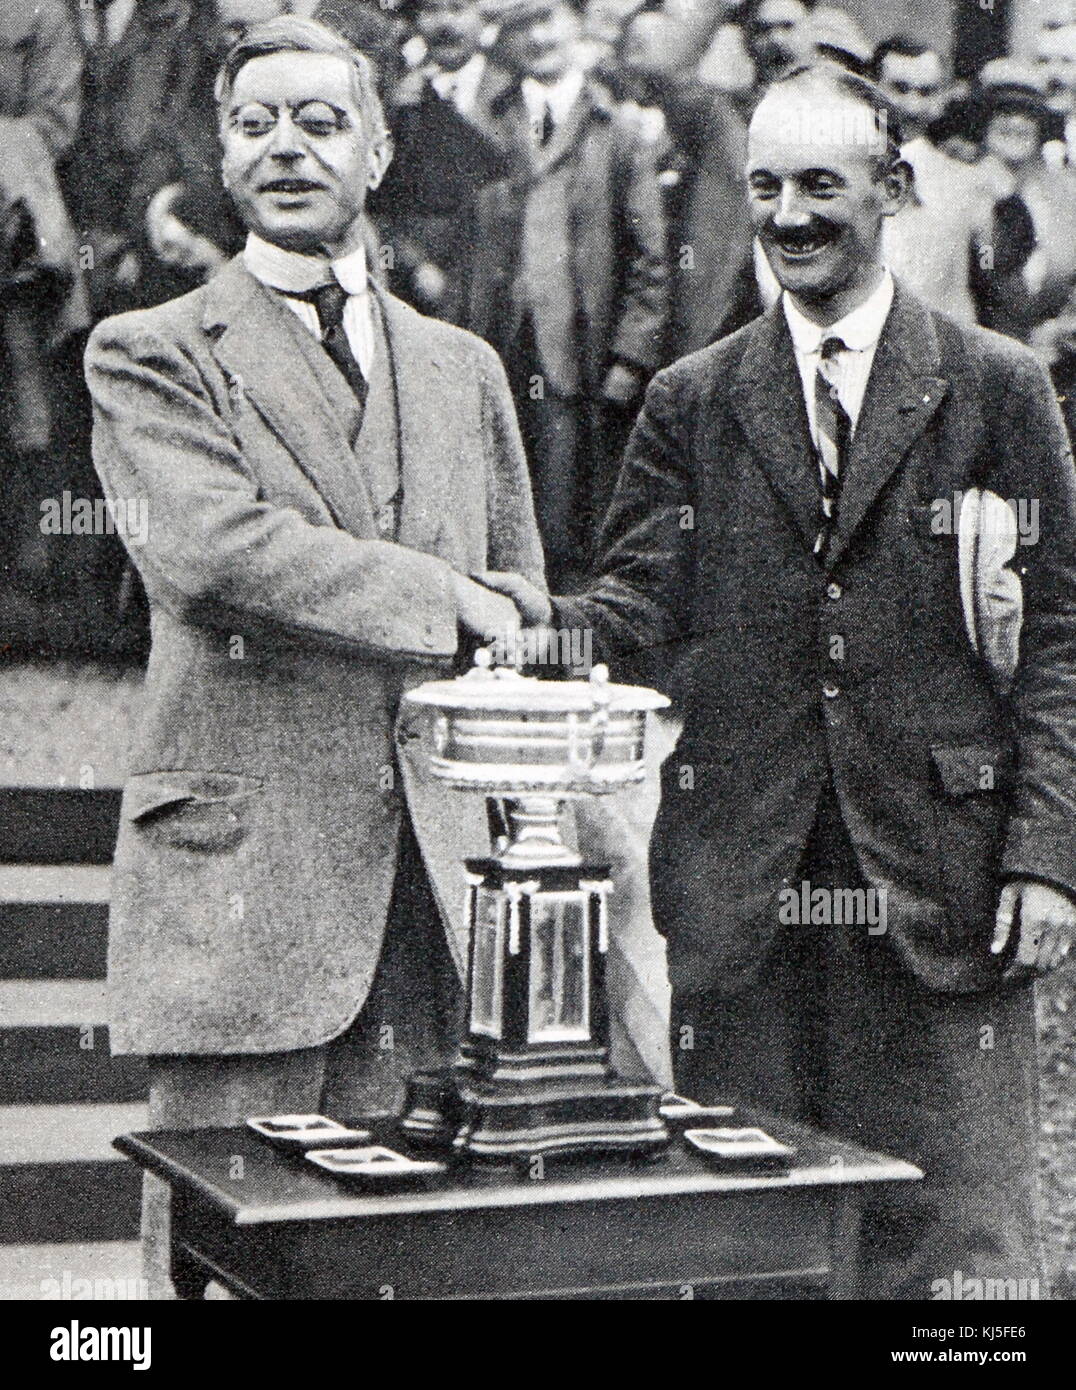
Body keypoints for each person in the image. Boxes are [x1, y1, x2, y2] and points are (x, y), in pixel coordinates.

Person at [482, 62, 1076, 1298]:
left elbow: (1063, 637)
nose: (790, 216)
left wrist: (1044, 853)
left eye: (822, 185)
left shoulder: (996, 388)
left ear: (894, 188)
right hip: (741, 889)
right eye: (764, 187)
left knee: (954, 1259)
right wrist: (522, 627)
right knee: (751, 1244)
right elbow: (636, 602)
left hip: (940, 887)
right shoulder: (691, 398)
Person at [84, 15, 543, 1296]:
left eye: (321, 121)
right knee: (219, 1266)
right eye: (255, 123)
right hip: (247, 887)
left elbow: (521, 594)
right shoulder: (151, 350)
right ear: (223, 158)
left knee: (397, 1267)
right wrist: (449, 596)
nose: (286, 147)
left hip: (430, 895)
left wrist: (484, 607)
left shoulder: (464, 369)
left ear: (380, 151)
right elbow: (215, 555)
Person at [464, 0, 668, 585]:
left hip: (579, 356)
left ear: (577, 22)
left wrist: (631, 358)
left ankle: (566, 652)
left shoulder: (618, 128)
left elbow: (651, 257)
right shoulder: (489, 120)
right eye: (521, 23)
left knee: (568, 521)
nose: (537, 36)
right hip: (499, 344)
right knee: (495, 511)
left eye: (548, 16)